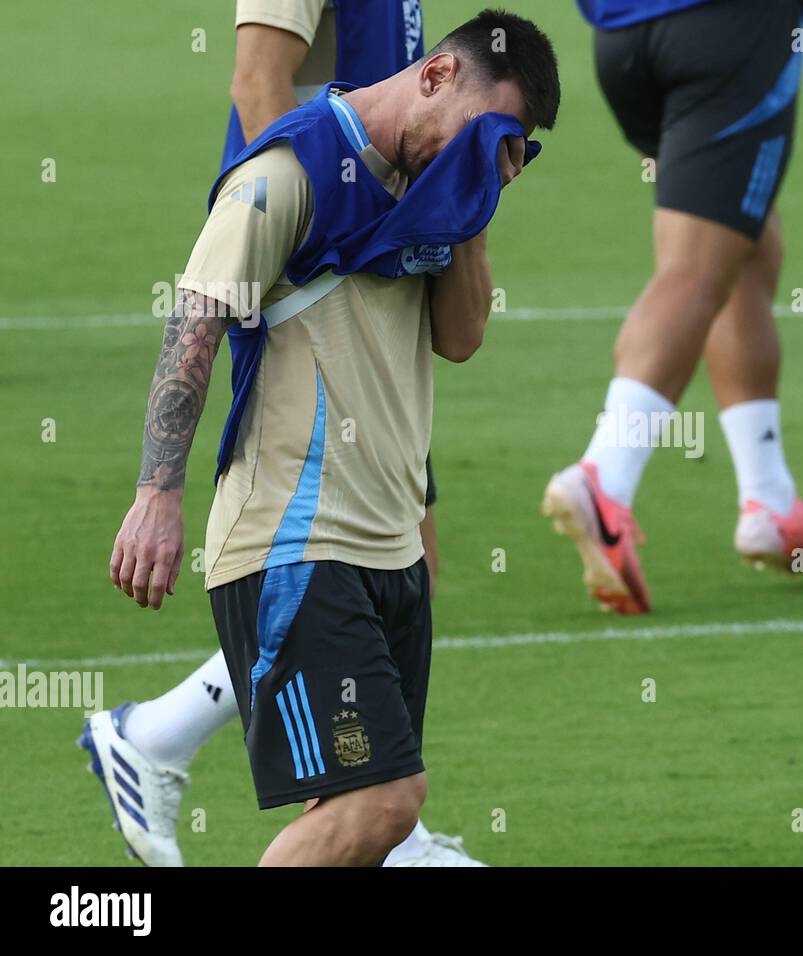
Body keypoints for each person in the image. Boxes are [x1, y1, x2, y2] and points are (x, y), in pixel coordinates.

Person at [99, 8, 559, 866]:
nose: (495, 162)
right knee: (386, 802)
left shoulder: (436, 194)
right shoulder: (293, 166)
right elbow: (196, 318)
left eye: (514, 151)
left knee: (355, 817)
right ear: (434, 76)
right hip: (294, 543)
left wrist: (472, 201)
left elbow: (459, 340)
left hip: (391, 552)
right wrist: (156, 496)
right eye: (490, 136)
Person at [542, 0, 803, 616]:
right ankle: (604, 477)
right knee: (696, 268)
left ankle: (770, 499)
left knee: (742, 236)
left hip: (623, 41)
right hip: (730, 29)